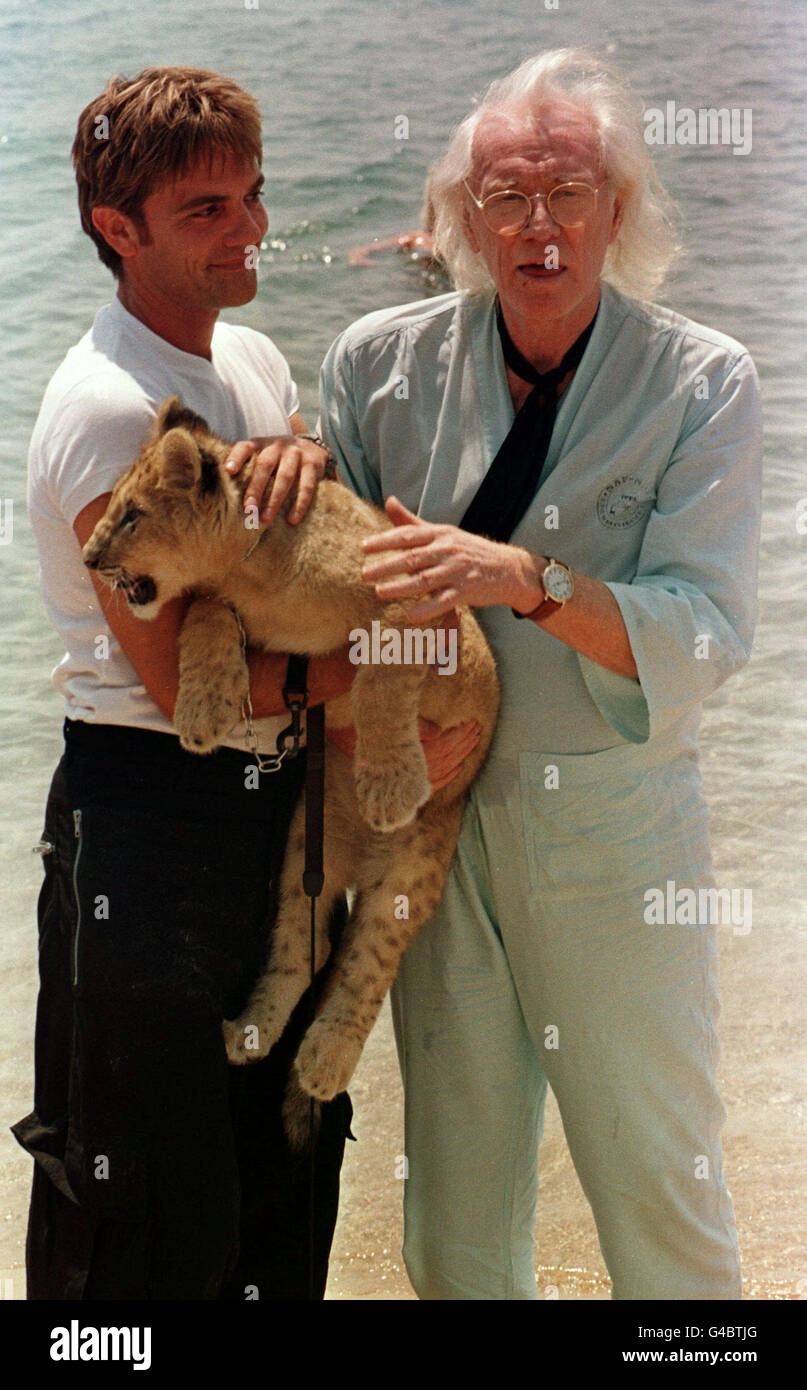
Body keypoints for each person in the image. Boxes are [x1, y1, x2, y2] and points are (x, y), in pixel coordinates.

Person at [13, 65, 472, 1302]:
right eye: (207, 209)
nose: (254, 226)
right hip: (153, 822)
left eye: (253, 197)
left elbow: (303, 565)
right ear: (120, 230)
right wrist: (413, 662)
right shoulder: (108, 413)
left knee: (281, 1184)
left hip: (278, 812)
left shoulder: (254, 365)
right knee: (148, 1228)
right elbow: (194, 689)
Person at [313, 49, 763, 1299]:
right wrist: (369, 731)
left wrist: (530, 583)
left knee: (659, 1184)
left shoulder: (702, 382)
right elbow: (334, 613)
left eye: (568, 191)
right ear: (461, 219)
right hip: (434, 842)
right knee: (453, 1216)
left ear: (620, 208)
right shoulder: (373, 367)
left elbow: (709, 628)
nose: (540, 225)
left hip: (616, 844)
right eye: (505, 197)